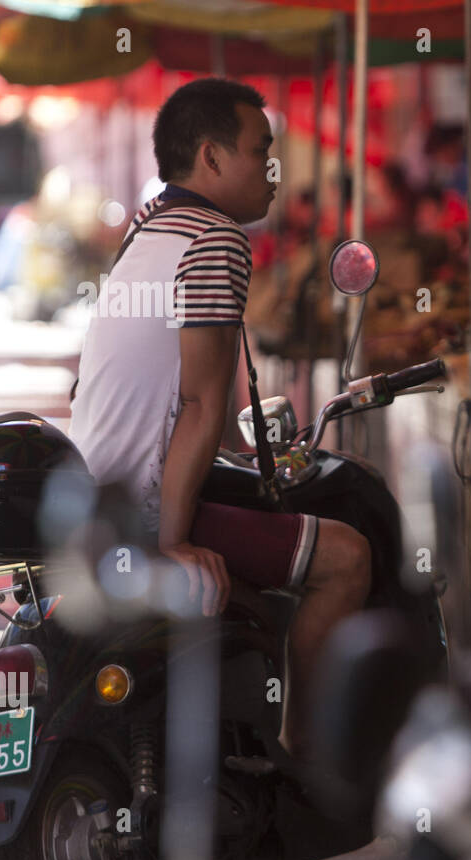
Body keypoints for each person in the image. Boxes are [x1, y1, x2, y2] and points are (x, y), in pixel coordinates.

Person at [68, 78, 371, 760]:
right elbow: (204, 403)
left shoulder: (148, 233)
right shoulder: (214, 240)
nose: (272, 172)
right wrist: (170, 543)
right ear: (210, 157)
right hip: (143, 511)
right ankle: (309, 767)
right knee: (348, 559)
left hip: (98, 496)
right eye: (261, 153)